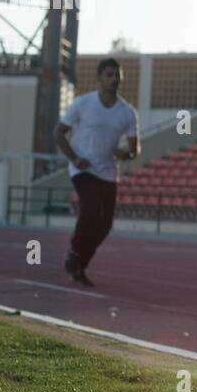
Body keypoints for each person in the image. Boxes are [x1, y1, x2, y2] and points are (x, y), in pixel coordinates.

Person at [54, 58, 140, 287]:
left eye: (117, 76)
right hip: (82, 167)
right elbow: (59, 133)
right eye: (109, 75)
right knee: (91, 210)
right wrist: (74, 157)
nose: (114, 80)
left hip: (108, 171)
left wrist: (127, 154)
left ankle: (80, 264)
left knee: (105, 225)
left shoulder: (127, 113)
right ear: (100, 78)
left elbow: (134, 149)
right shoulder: (83, 103)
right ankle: (74, 251)